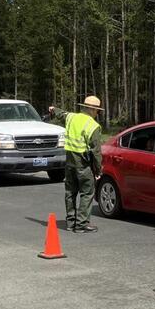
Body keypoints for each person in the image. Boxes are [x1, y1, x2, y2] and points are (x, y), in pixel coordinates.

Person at [48, 96, 103, 233]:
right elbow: (96, 152)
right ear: (93, 110)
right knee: (87, 193)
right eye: (97, 111)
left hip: (70, 163)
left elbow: (61, 114)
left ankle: (70, 222)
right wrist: (98, 171)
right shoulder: (93, 126)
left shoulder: (71, 117)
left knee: (70, 192)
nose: (97, 113)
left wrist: (53, 109)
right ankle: (81, 224)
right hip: (83, 164)